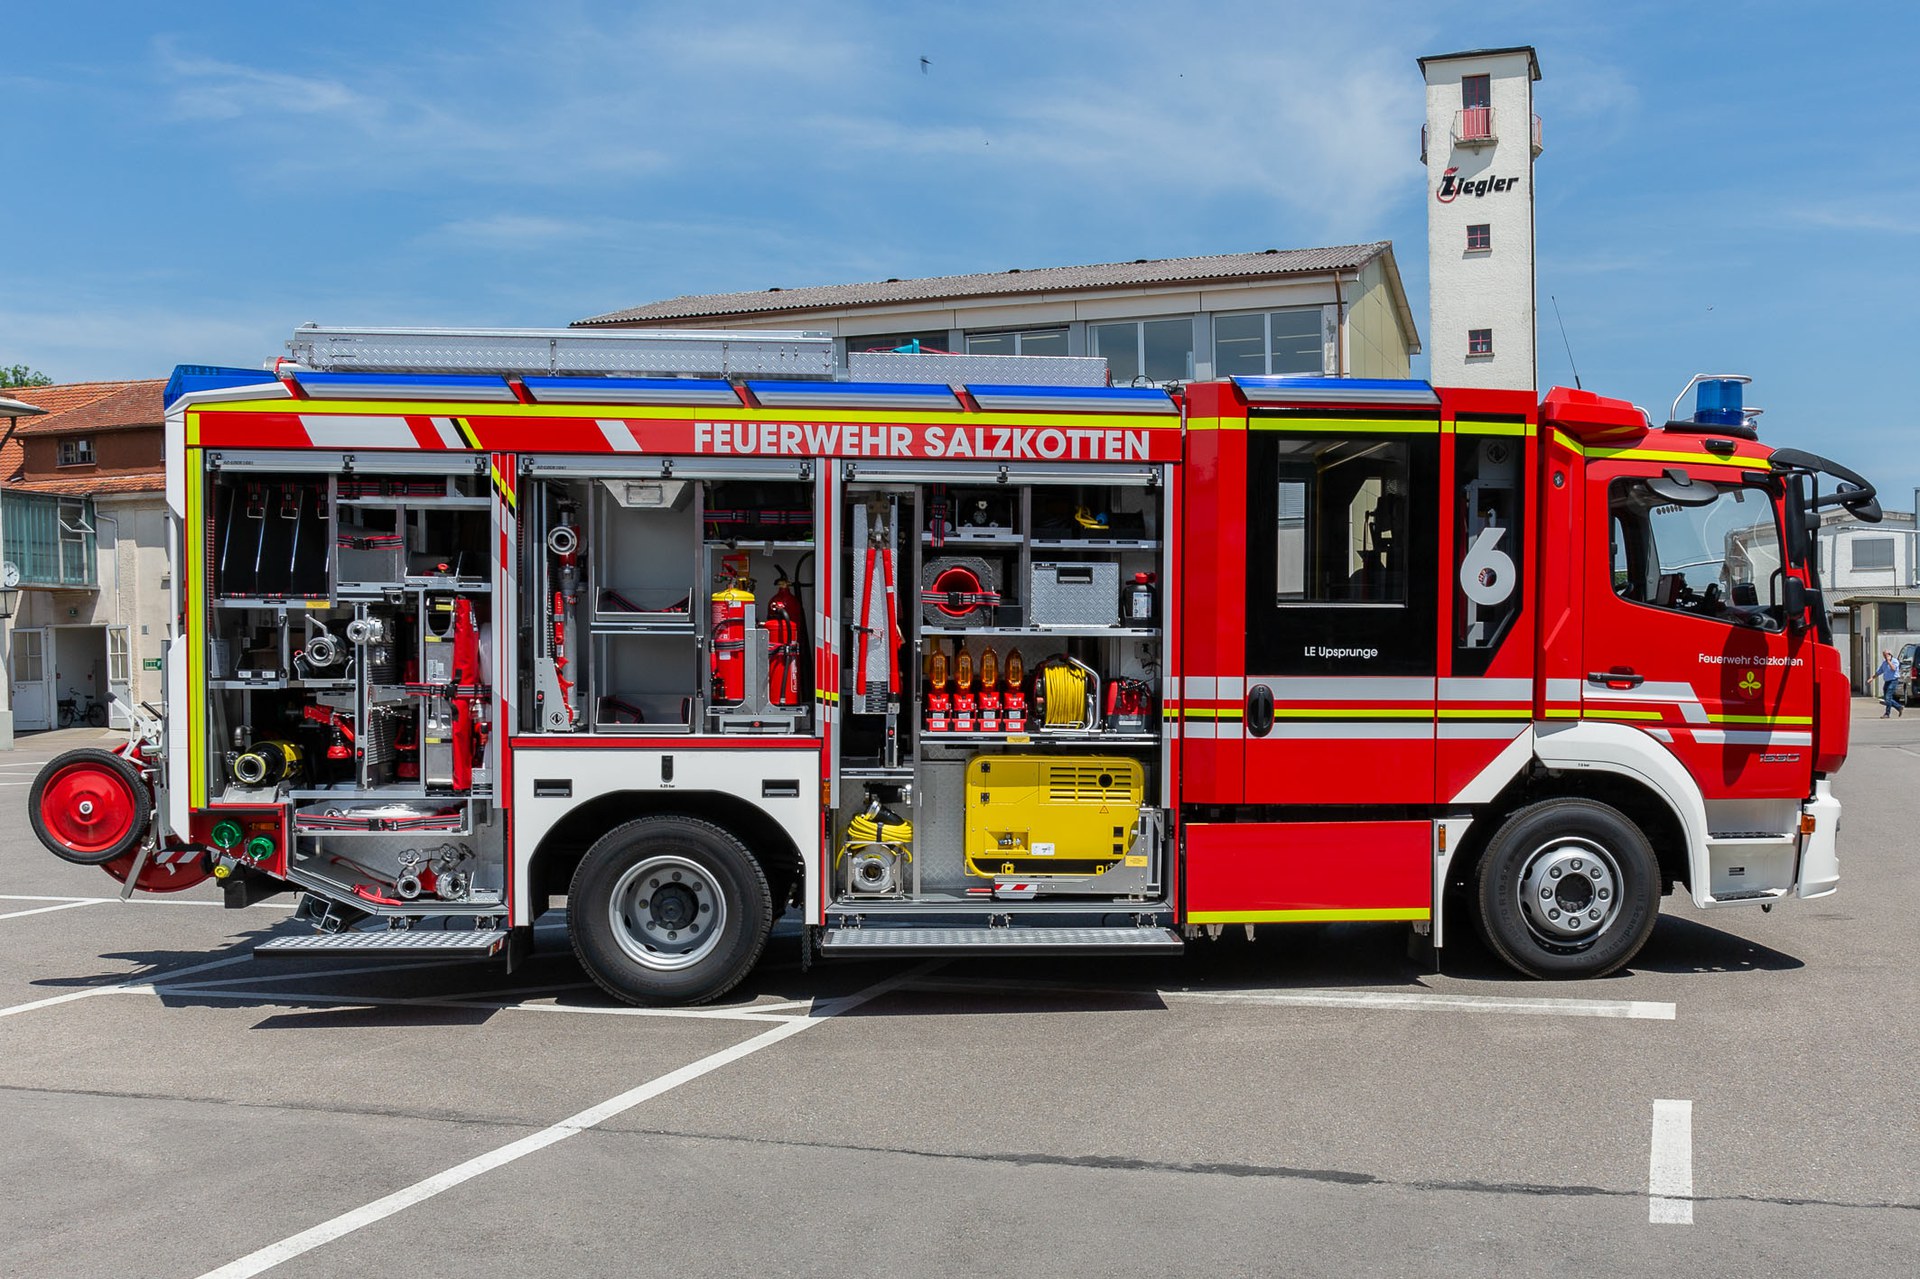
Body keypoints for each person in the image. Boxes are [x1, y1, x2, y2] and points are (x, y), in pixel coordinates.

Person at [1876, 650, 1902, 717]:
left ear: (1889, 654)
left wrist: (1889, 661)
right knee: (1886, 698)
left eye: (1886, 655)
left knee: (1888, 697)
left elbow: (1893, 669)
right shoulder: (1884, 663)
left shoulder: (1895, 661)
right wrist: (1872, 678)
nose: (1885, 657)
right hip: (1887, 681)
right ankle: (1899, 707)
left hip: (1893, 681)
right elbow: (1879, 671)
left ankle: (1887, 713)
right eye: (1884, 655)